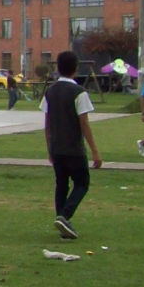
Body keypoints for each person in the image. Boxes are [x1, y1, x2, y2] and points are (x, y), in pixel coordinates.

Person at [41, 49, 103, 239]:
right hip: (74, 149)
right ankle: (64, 216)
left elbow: (47, 125)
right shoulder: (79, 92)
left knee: (61, 185)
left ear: (58, 68)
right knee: (82, 183)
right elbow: (84, 124)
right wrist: (95, 152)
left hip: (57, 148)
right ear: (75, 69)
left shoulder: (50, 91)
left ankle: (62, 224)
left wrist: (49, 149)